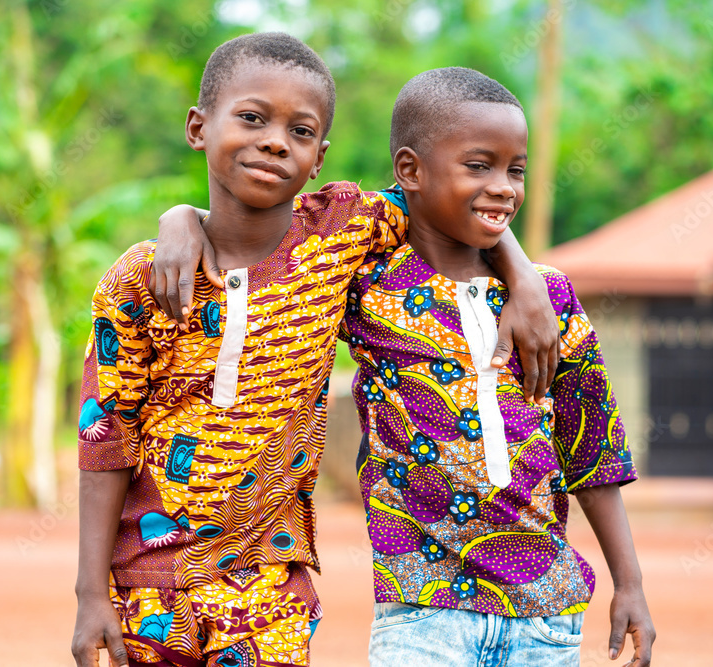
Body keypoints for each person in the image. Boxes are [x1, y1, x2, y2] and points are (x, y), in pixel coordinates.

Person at [71, 34, 559, 667]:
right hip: (148, 585)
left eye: (300, 131)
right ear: (198, 127)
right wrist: (90, 593)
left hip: (271, 587)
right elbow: (105, 439)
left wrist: (523, 275)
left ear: (319, 157)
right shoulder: (139, 280)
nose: (275, 142)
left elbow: (457, 203)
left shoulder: (342, 232)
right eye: (252, 118)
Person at [342, 68, 656, 666]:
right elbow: (291, 233)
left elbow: (591, 448)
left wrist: (630, 583)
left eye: (516, 169)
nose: (504, 188)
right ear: (410, 170)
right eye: (479, 166)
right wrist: (183, 217)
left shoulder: (552, 297)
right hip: (423, 613)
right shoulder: (367, 285)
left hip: (546, 617)